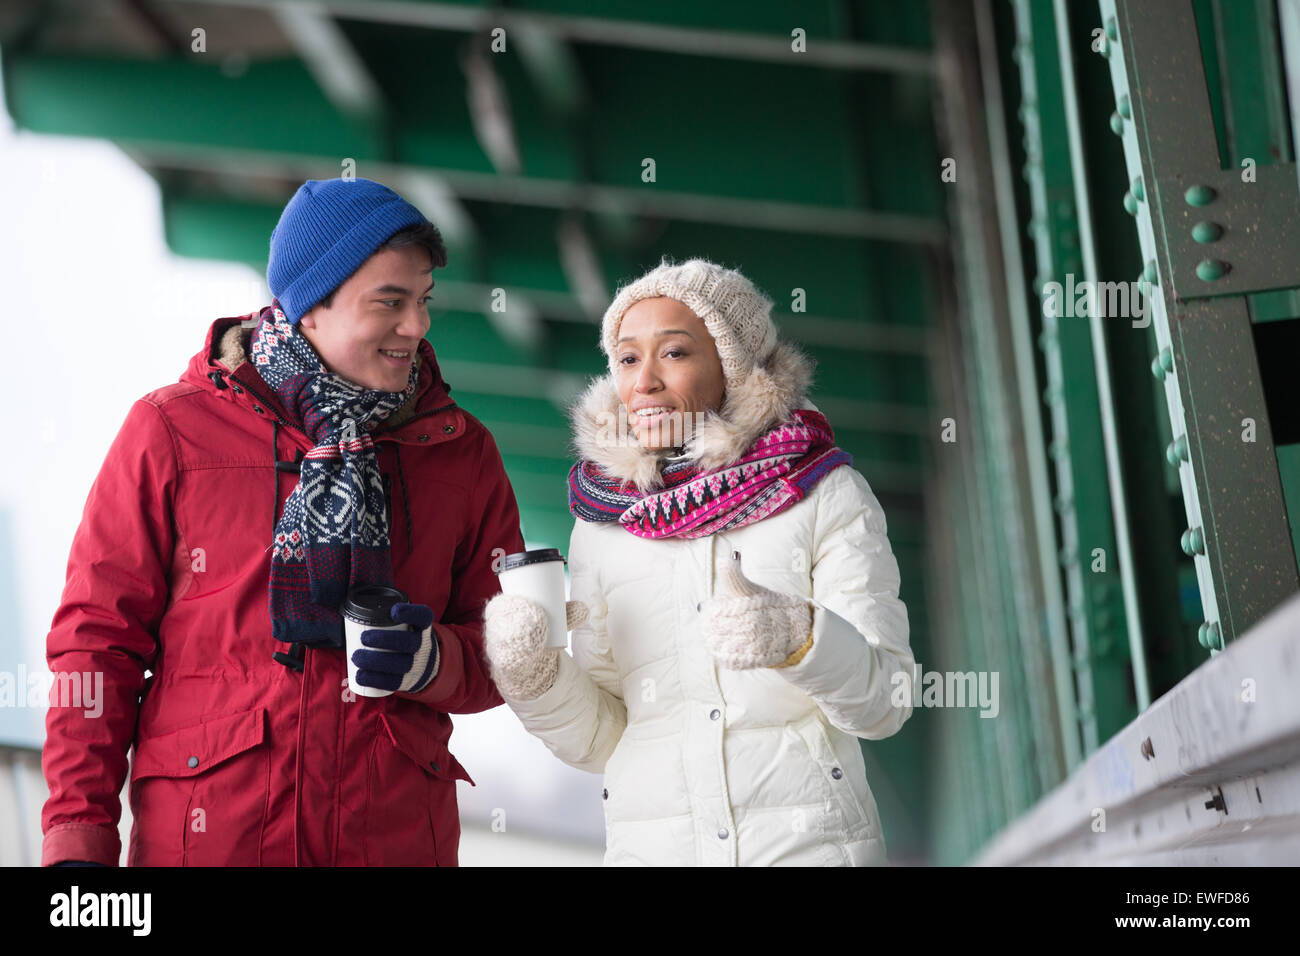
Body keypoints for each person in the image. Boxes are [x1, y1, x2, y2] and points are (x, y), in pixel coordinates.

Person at [41, 177, 524, 866]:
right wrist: (76, 842)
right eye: (390, 302)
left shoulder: (461, 452)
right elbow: (97, 647)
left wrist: (432, 661)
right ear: (310, 306)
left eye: (423, 302)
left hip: (392, 842)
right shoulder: (171, 432)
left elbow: (515, 648)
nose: (417, 326)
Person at [483, 257, 915, 866]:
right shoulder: (602, 526)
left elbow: (887, 701)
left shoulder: (824, 492)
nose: (644, 382)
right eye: (629, 358)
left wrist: (801, 638)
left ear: (734, 366)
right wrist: (536, 679)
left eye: (675, 353)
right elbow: (606, 737)